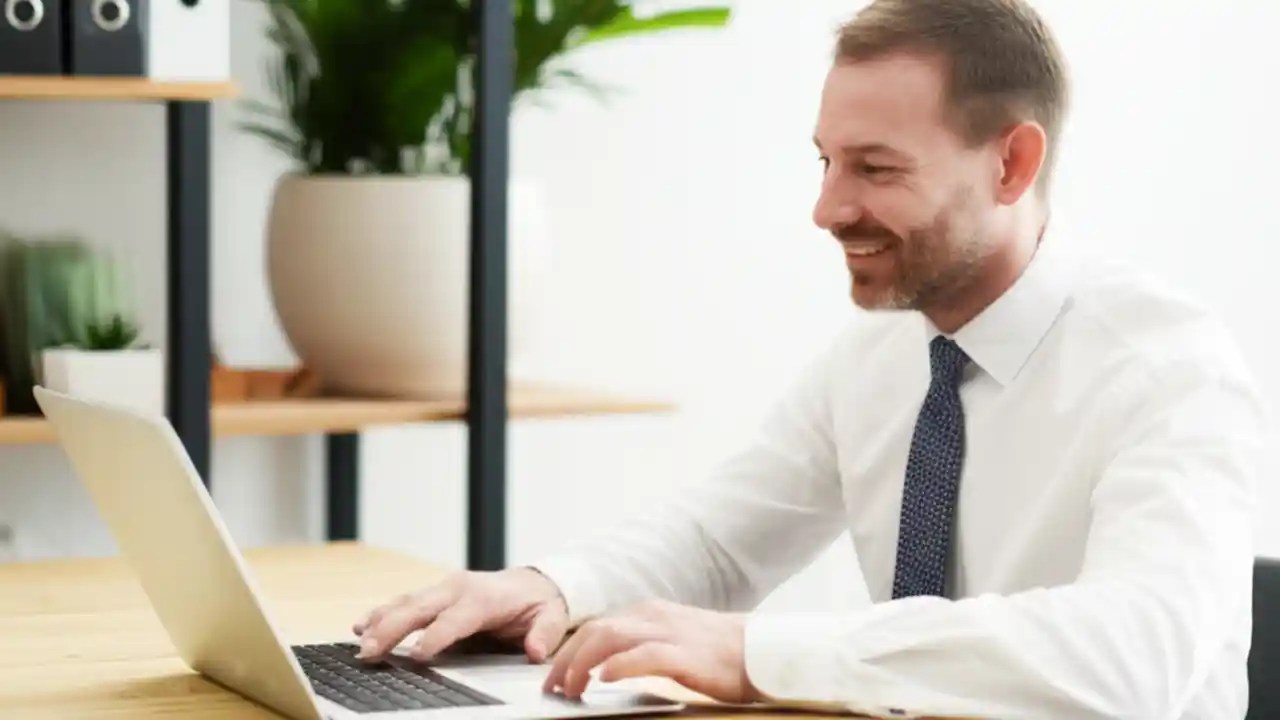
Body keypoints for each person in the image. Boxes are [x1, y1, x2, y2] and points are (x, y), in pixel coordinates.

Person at [352, 0, 1266, 717]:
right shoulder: (881, 355)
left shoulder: (1169, 370)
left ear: (1011, 165)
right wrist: (549, 587)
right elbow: (719, 540)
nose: (827, 210)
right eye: (826, 162)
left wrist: (759, 656)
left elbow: (1136, 656)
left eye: (875, 169)